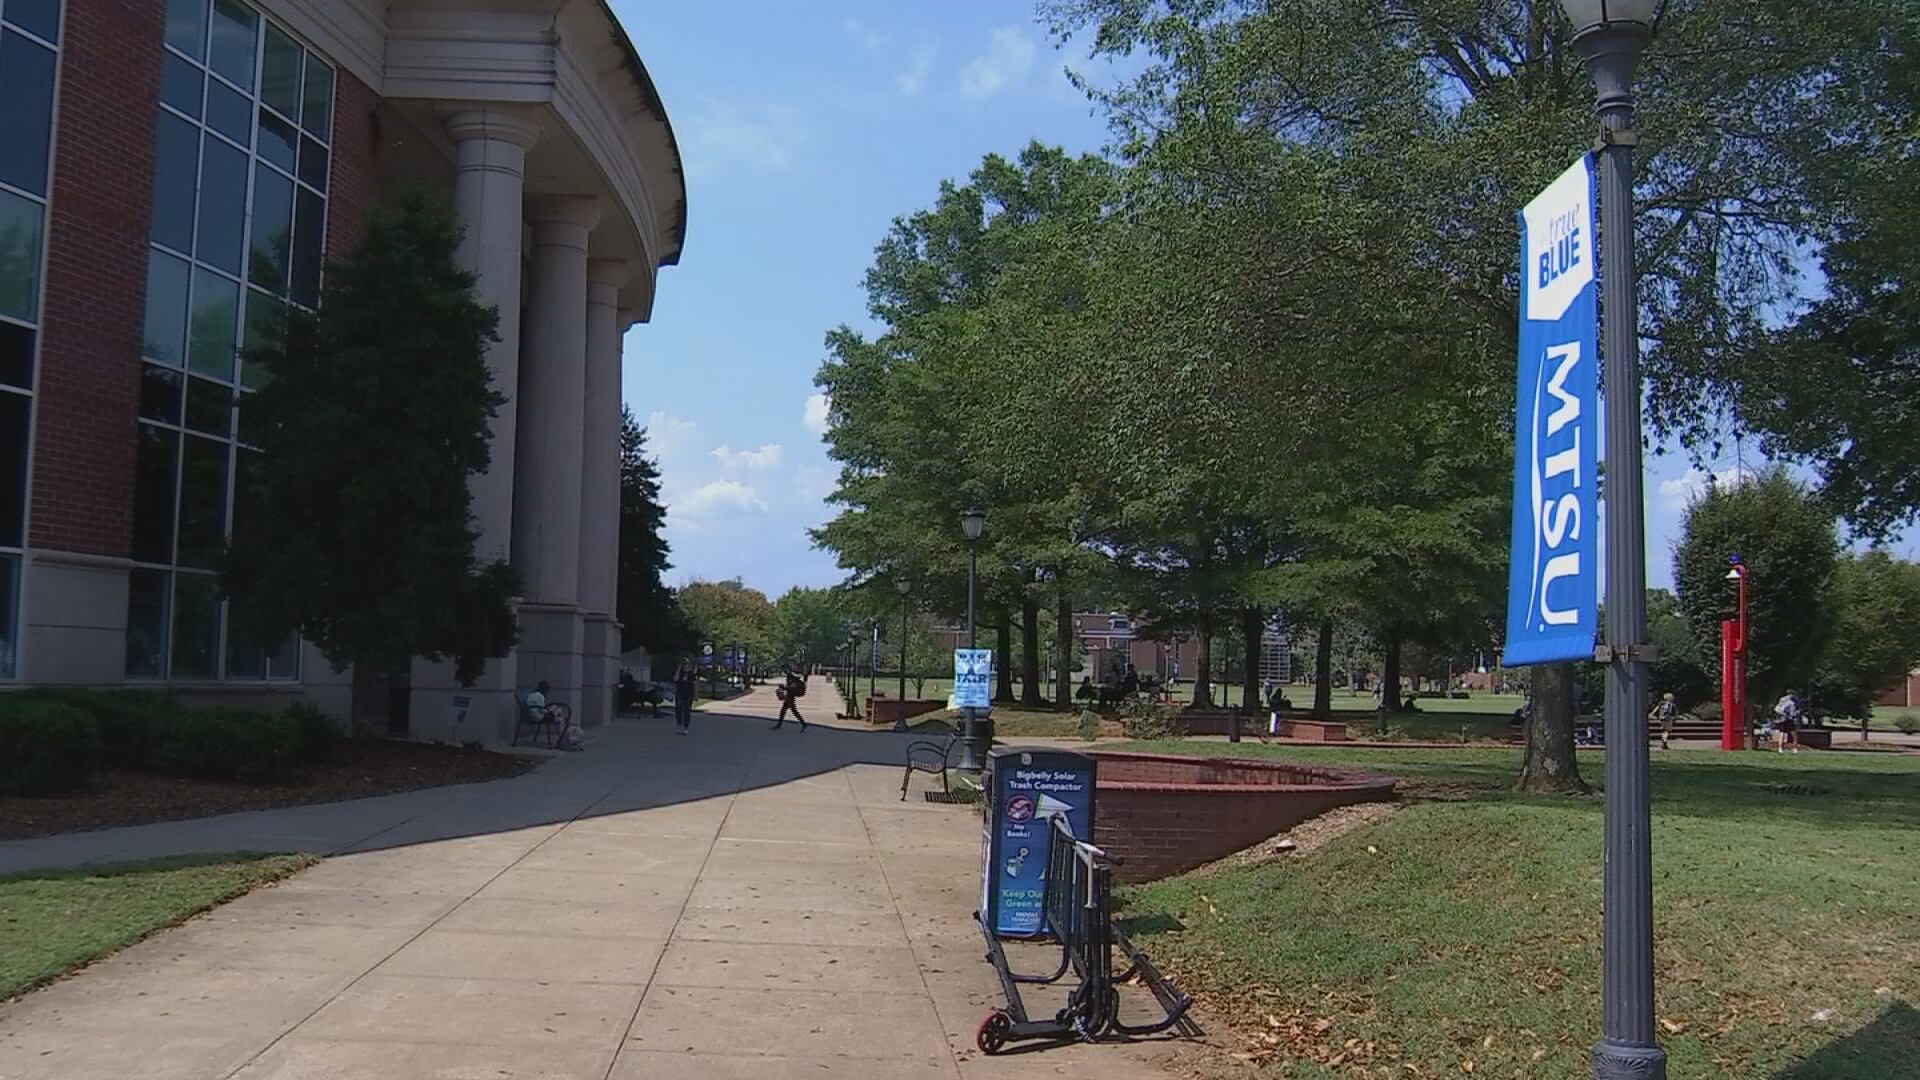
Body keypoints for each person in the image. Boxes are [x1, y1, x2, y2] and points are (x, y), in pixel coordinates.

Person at [772, 666, 808, 730]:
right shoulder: (792, 680)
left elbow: (791, 689)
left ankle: (803, 724)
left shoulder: (793, 680)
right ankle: (803, 724)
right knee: (788, 711)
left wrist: (783, 687)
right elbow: (790, 688)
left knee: (790, 711)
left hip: (790, 698)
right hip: (789, 697)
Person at [672, 658, 697, 735]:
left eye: (686, 664)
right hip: (680, 693)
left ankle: (686, 728)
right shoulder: (680, 673)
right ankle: (679, 725)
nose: (685, 666)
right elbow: (675, 679)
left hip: (689, 694)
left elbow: (695, 684)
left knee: (686, 711)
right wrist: (678, 669)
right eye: (683, 664)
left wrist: (696, 694)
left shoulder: (691, 673)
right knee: (678, 710)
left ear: (689, 665)